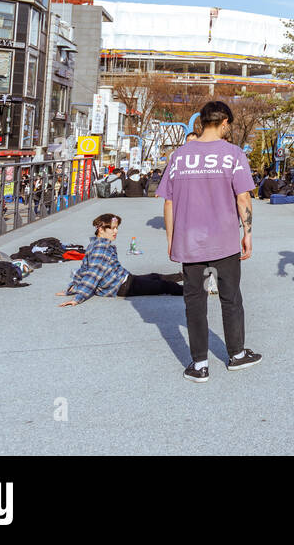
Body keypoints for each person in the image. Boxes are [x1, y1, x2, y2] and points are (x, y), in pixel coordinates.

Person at [157, 100, 261, 382]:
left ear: (200, 122)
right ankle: (237, 355)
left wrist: (171, 239)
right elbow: (243, 197)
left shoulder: (179, 156)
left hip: (190, 244)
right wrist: (248, 233)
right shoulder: (233, 154)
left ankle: (199, 364)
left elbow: (168, 202)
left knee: (195, 303)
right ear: (225, 122)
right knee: (230, 299)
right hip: (224, 242)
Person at [56, 213, 184, 306]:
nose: (115, 231)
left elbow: (83, 269)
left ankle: (183, 276)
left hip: (126, 278)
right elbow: (92, 275)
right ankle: (193, 290)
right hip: (122, 287)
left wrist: (71, 289)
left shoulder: (95, 244)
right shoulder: (100, 249)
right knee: (163, 286)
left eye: (117, 228)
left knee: (154, 276)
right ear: (101, 230)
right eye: (112, 228)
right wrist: (78, 297)